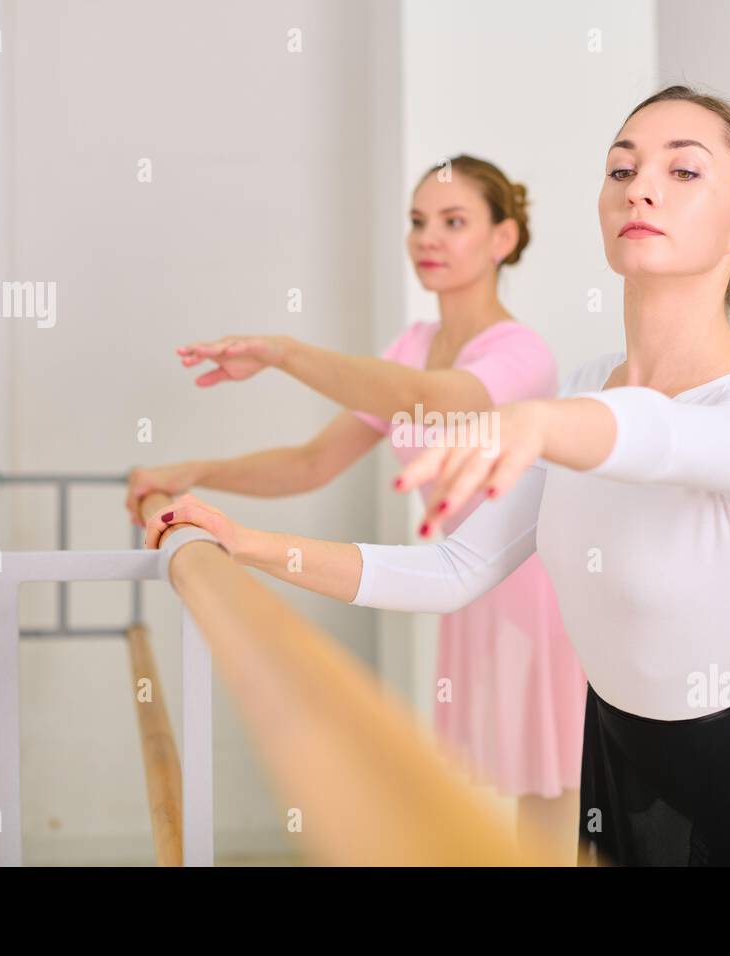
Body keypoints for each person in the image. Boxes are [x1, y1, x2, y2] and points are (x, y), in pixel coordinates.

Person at [141, 86, 730, 867]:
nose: (639, 187)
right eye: (621, 168)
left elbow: (663, 437)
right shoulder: (582, 384)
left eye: (684, 173)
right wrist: (250, 545)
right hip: (619, 754)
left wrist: (537, 424)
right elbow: (450, 572)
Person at [126, 155, 586, 862]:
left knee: (546, 798)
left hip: (531, 594)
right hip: (458, 586)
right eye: (417, 222)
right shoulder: (412, 344)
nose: (428, 238)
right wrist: (195, 471)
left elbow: (422, 399)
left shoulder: (521, 354)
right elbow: (311, 463)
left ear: (503, 239)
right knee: (470, 792)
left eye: (454, 222)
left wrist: (284, 352)